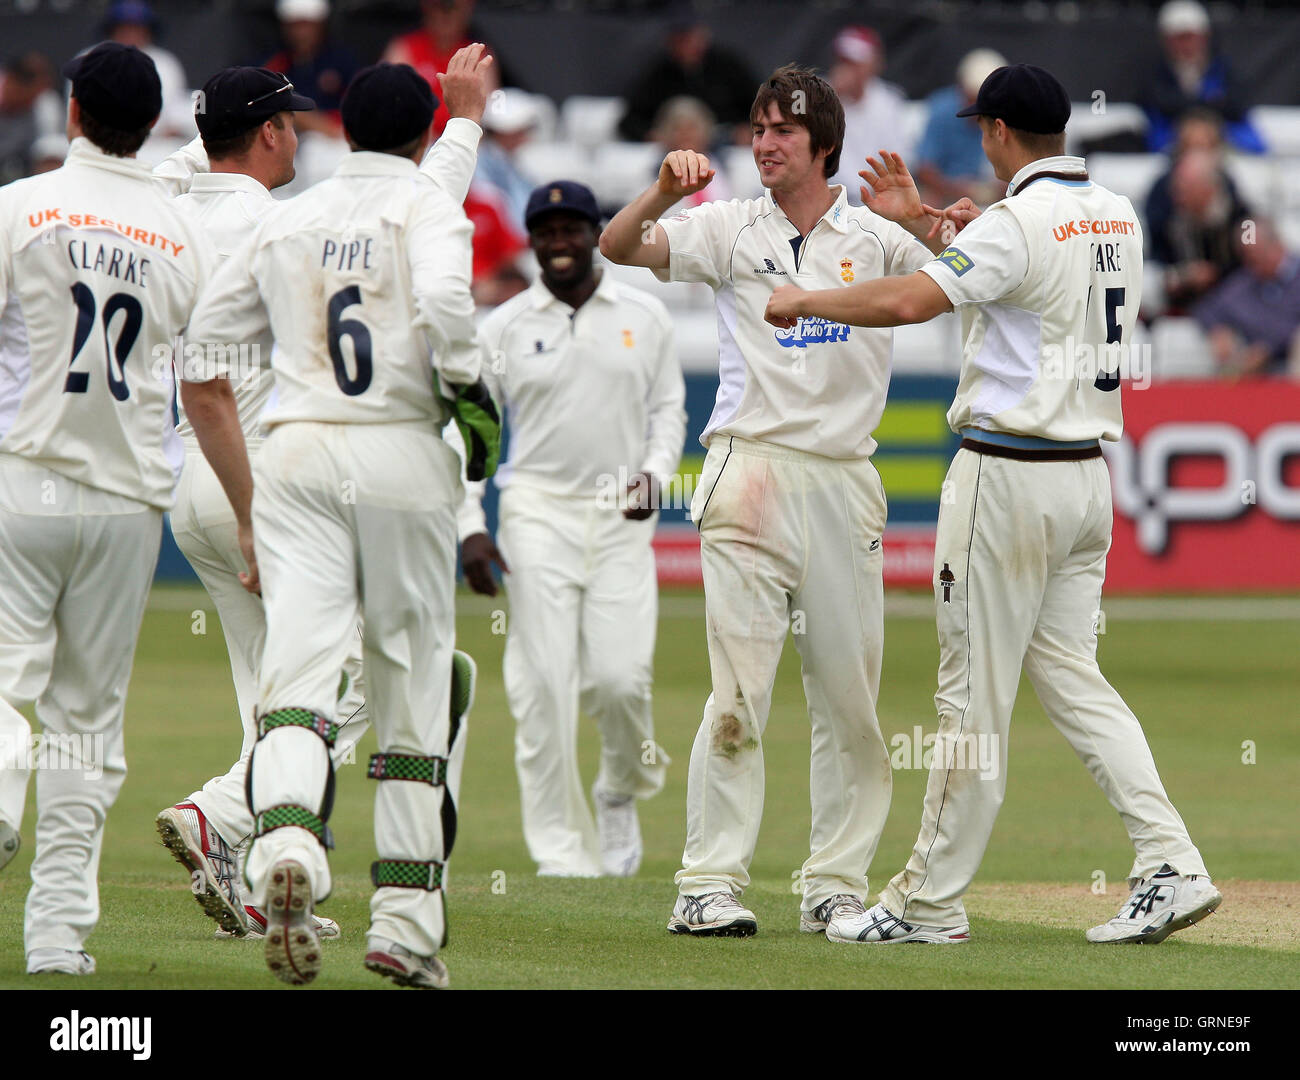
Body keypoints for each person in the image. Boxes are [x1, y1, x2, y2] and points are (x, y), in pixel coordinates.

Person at [764, 64, 1221, 946]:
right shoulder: (1117, 213)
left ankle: (926, 902)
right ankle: (1171, 862)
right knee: (1076, 682)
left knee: (969, 700)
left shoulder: (1016, 223)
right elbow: (1019, 298)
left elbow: (906, 300)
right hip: (1087, 476)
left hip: (1007, 478)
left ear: (999, 132)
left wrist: (805, 299)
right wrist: (919, 227)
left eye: (985, 128)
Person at [600, 65, 950, 940]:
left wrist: (923, 221)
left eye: (781, 132)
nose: (763, 144)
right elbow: (616, 248)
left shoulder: (873, 237)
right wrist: (658, 191)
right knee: (737, 693)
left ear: (823, 143)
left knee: (848, 700)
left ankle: (833, 882)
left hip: (842, 477)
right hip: (747, 470)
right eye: (756, 130)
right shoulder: (725, 226)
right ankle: (708, 883)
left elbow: (975, 278)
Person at [154, 49, 493, 943]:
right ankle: (224, 814)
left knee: (272, 687)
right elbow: (412, 208)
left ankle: (257, 874)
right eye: (288, 123)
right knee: (357, 677)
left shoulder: (163, 201)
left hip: (191, 468)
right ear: (269, 133)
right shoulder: (286, 215)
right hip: (271, 470)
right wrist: (461, 122)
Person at [0, 43, 236, 976]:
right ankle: (57, 939)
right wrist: (251, 520)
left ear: (69, 111)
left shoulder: (19, 208)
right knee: (89, 721)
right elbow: (211, 387)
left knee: (6, 676)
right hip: (129, 499)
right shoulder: (186, 234)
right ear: (157, 125)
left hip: (22, 477)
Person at [460, 180, 685, 878]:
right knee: (544, 684)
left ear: (595, 235)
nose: (559, 243)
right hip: (535, 510)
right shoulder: (500, 327)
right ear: (531, 240)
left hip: (620, 514)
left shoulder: (645, 317)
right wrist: (470, 523)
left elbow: (668, 411)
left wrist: (654, 472)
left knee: (621, 681)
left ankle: (620, 788)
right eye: (546, 231)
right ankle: (561, 853)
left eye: (572, 230)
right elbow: (474, 436)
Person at [1143, 0, 1264, 154]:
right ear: (1167, 41)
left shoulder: (1224, 71)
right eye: (1179, 39)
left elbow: (1237, 106)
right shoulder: (1157, 76)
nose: (1186, 45)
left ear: (1204, 37)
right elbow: (1161, 106)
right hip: (1173, 143)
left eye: (1190, 37)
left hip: (1227, 142)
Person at [617, 15, 757, 144]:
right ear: (670, 43)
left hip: (723, 140)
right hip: (673, 147)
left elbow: (759, 103)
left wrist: (749, 127)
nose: (686, 47)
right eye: (679, 41)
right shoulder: (658, 74)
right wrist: (651, 135)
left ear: (703, 37)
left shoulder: (728, 66)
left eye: (690, 39)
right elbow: (629, 121)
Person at [1149, 146, 1250, 314]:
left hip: (1235, 305)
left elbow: (1251, 267)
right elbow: (1158, 266)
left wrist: (1217, 273)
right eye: (1176, 188)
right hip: (1185, 307)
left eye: (1185, 189)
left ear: (1207, 188)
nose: (1177, 196)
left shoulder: (1244, 220)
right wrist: (1184, 276)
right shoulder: (1168, 221)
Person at [1194, 218, 1300, 377]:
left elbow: (1291, 324)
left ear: (1277, 246)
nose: (1253, 262)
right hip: (1252, 372)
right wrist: (1218, 330)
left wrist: (1267, 348)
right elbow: (1207, 308)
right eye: (1248, 256)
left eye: (1259, 254)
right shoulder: (1245, 280)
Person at [827, 26, 911, 205]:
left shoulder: (888, 102)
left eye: (855, 62)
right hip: (827, 197)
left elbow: (898, 158)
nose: (848, 69)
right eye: (843, 61)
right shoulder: (819, 96)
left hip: (872, 200)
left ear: (874, 65)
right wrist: (831, 99)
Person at [914, 48, 1006, 208]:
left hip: (989, 198)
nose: (978, 109)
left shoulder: (1006, 115)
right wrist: (954, 188)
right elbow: (925, 169)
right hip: (946, 196)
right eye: (973, 99)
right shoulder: (942, 110)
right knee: (927, 202)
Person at [262, 0, 360, 135]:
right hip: (289, 136)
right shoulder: (275, 63)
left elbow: (357, 106)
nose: (301, 33)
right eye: (295, 26)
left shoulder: (342, 62)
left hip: (338, 137)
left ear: (321, 25)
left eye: (307, 25)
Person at [101, 0, 194, 139]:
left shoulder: (166, 63)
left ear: (148, 31)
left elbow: (177, 113)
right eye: (124, 28)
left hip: (156, 146)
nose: (131, 34)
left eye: (137, 28)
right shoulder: (91, 60)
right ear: (112, 30)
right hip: (104, 145)